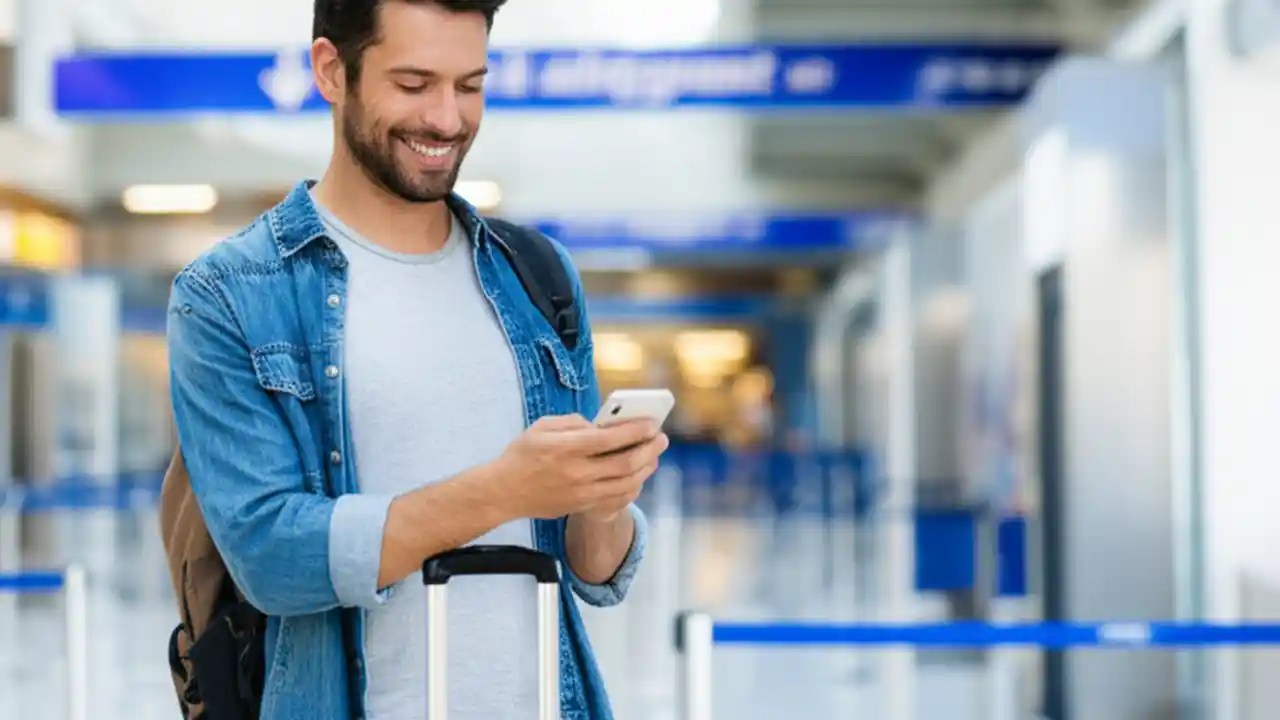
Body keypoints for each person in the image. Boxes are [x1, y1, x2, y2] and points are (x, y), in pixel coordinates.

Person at [164, 1, 668, 718]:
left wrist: (604, 498)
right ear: (332, 70)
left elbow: (592, 569)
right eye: (413, 84)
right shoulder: (230, 296)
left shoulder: (538, 277)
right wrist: (504, 489)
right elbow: (273, 555)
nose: (446, 119)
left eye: (469, 85)